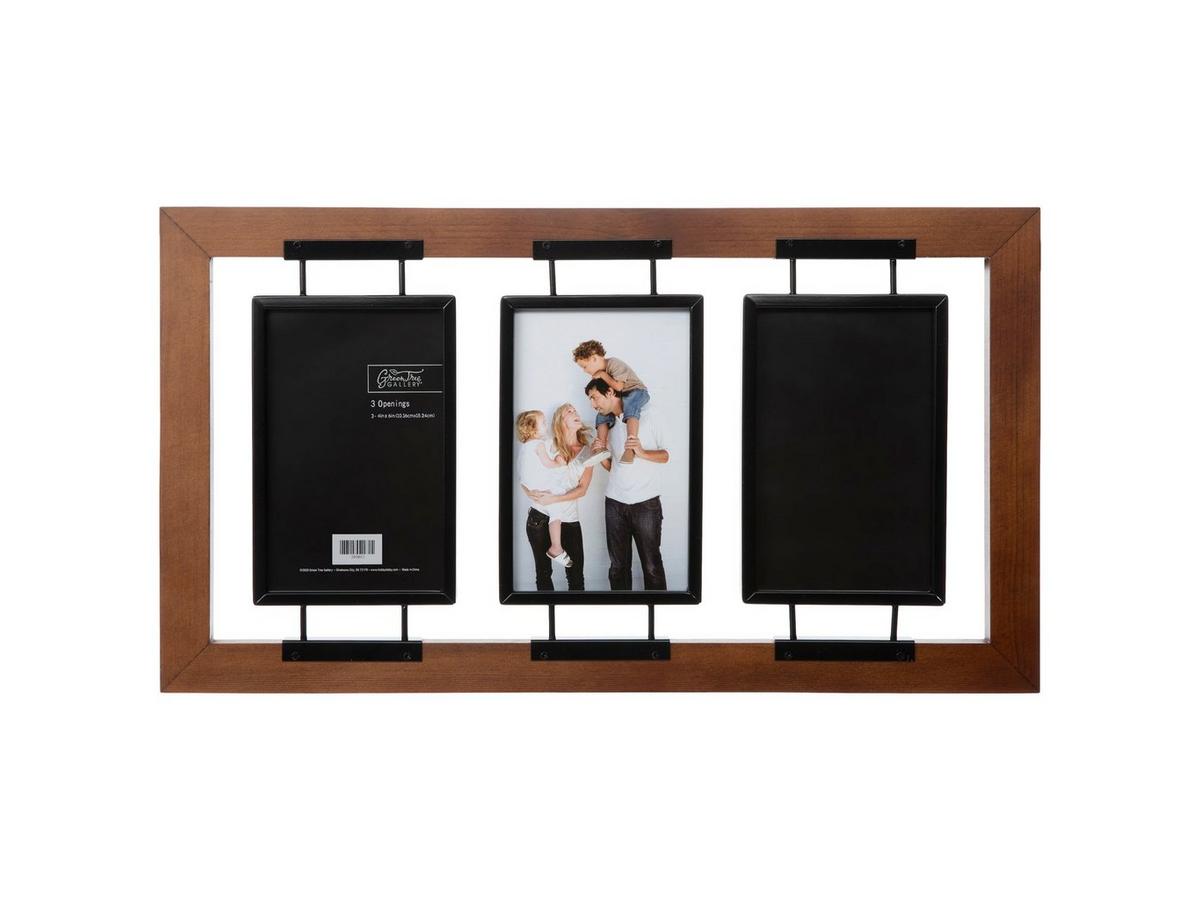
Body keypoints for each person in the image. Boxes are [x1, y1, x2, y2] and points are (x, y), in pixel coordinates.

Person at [585, 378, 670, 590]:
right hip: (614, 503)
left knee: (652, 566)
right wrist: (600, 456)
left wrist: (642, 452)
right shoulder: (609, 424)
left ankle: (657, 608)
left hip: (646, 504)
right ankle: (621, 608)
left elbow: (666, 456)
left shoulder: (650, 415)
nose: (593, 404)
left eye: (595, 397)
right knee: (617, 568)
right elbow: (613, 467)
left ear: (610, 392)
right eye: (590, 400)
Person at [520, 404, 607, 590]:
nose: (575, 412)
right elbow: (527, 471)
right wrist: (528, 491)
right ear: (561, 420)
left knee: (576, 579)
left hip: (569, 520)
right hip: (540, 517)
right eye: (569, 411)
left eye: (575, 410)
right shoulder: (546, 444)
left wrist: (554, 499)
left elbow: (582, 489)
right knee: (543, 574)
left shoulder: (588, 451)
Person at [573, 339, 649, 466]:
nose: (584, 371)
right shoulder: (603, 372)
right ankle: (600, 448)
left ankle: (630, 447)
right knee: (602, 414)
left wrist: (602, 375)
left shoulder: (613, 363)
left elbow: (618, 387)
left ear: (594, 358)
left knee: (630, 407)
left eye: (584, 367)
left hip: (636, 391)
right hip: (623, 395)